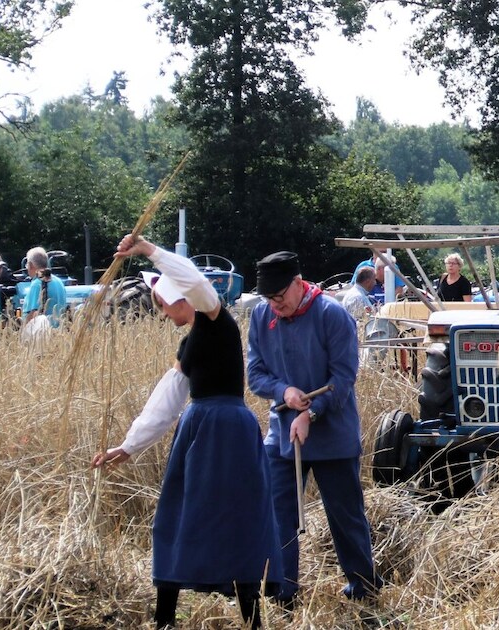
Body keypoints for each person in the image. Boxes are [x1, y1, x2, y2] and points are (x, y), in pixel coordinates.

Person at [92, 235, 283, 629]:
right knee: (177, 519)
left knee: (237, 519)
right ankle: (165, 621)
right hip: (198, 430)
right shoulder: (190, 343)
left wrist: (149, 251)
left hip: (227, 432)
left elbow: (196, 281)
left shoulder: (217, 319)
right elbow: (168, 398)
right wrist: (128, 447)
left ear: (181, 298)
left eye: (162, 304)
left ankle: (253, 620)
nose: (161, 312)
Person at [247, 252, 381, 603]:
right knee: (278, 516)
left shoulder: (331, 315)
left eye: (280, 297)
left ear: (297, 283)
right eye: (269, 299)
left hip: (333, 436)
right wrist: (284, 392)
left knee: (345, 517)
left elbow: (344, 377)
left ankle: (363, 588)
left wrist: (312, 412)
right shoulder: (261, 315)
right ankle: (282, 591)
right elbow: (255, 373)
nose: (275, 305)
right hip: (282, 435)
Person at [22, 246, 67, 325]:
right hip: (59, 333)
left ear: (30, 265)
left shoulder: (36, 284)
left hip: (43, 334)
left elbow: (33, 314)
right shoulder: (59, 282)